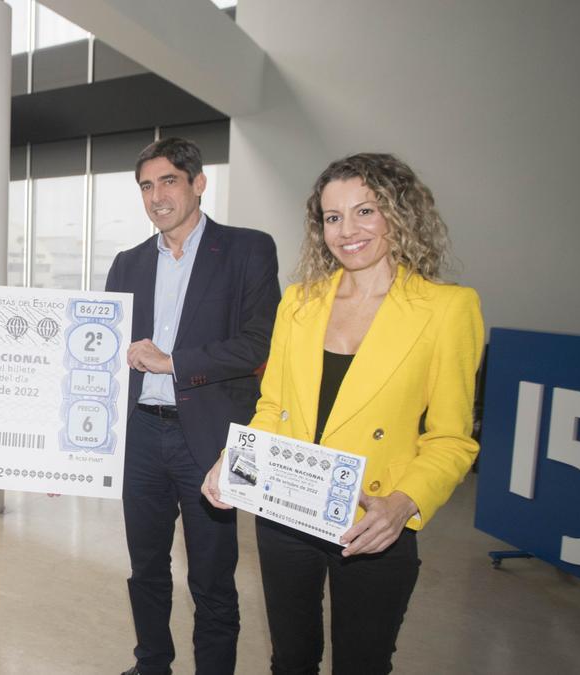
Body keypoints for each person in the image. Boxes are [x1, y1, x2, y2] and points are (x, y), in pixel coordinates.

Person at [203, 153, 484, 674]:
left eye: (365, 212)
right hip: (286, 511)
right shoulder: (301, 303)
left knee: (362, 663)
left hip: (373, 521)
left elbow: (452, 439)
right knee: (291, 659)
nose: (346, 231)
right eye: (333, 217)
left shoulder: (448, 309)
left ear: (400, 215)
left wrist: (403, 504)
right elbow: (274, 406)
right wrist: (231, 462)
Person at [105, 138, 281, 675]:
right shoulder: (127, 263)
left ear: (198, 183)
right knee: (146, 569)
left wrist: (174, 362)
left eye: (168, 181)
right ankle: (151, 663)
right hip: (141, 439)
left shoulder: (247, 250)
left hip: (206, 441)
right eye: (146, 186)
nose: (156, 196)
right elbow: (105, 357)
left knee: (211, 577)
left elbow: (259, 342)